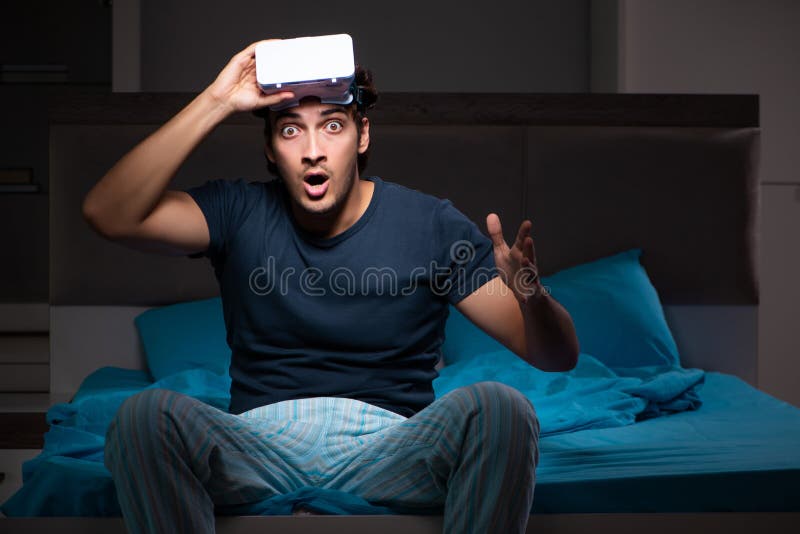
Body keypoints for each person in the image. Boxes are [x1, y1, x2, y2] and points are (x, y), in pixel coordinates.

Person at [82, 40, 579, 534]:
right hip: (256, 450)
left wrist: (531, 291)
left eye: (333, 126)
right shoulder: (237, 212)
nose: (313, 151)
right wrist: (218, 100)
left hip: (393, 451)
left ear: (362, 134)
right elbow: (110, 213)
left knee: (503, 408)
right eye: (291, 130)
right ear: (270, 149)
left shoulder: (431, 224)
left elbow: (555, 356)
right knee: (143, 416)